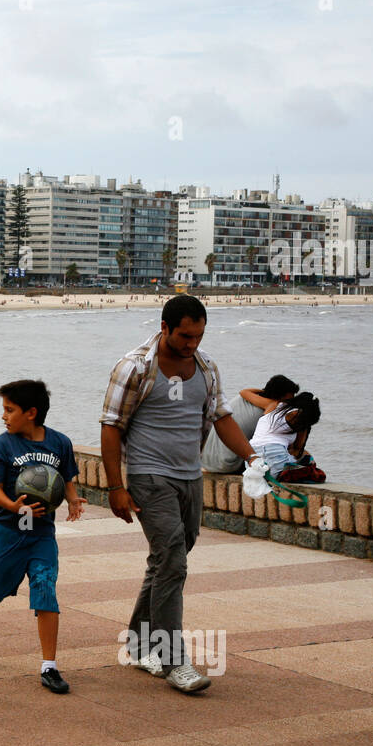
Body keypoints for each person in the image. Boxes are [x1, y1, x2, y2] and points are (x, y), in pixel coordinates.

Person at [100, 294, 259, 694]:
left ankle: (138, 645)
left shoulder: (206, 368)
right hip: (148, 476)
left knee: (167, 560)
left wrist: (254, 458)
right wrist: (116, 486)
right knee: (172, 558)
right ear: (165, 327)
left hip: (190, 477)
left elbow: (221, 418)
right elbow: (111, 426)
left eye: (199, 336)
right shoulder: (135, 367)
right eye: (185, 336)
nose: (192, 344)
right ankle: (173, 661)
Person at [0, 380, 83, 693]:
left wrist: (72, 498)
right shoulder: (3, 445)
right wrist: (13, 505)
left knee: (46, 589)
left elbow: (66, 477)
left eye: (9, 410)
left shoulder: (59, 443)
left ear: (31, 413)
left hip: (42, 533)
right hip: (5, 532)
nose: (4, 416)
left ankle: (49, 667)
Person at [201, 374, 299, 473]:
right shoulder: (270, 412)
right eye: (288, 401)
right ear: (278, 399)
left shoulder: (243, 397)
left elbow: (244, 391)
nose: (289, 405)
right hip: (228, 464)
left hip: (207, 461)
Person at [244, 389, 322, 480]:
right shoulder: (297, 415)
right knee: (308, 460)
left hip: (251, 462)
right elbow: (297, 449)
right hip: (273, 458)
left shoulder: (275, 406)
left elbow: (244, 392)